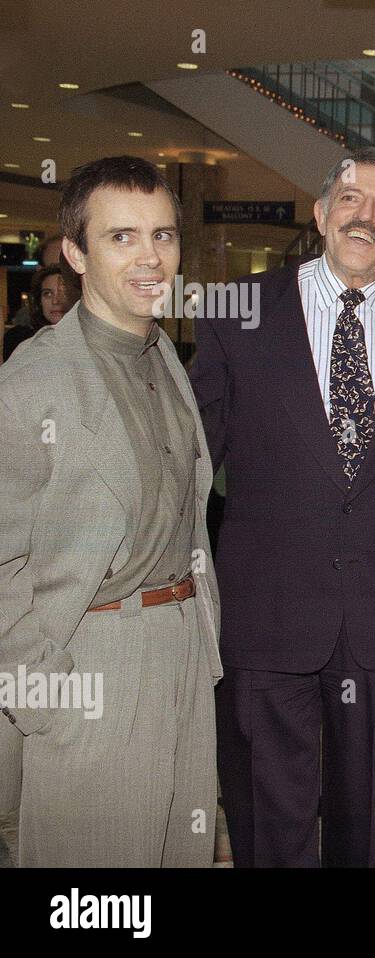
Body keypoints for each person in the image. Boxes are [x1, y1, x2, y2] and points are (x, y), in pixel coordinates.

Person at [190, 146, 375, 867]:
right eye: (350, 198)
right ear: (320, 213)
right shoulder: (237, 309)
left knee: (371, 825)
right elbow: (190, 465)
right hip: (266, 615)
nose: (364, 216)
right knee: (266, 819)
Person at [0, 155, 222, 866]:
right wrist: (40, 691)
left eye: (163, 235)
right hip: (92, 657)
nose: (150, 257)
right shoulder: (32, 382)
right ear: (74, 253)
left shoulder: (163, 355)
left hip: (182, 649)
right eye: (122, 237)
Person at [3, 264, 73, 360]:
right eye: (47, 294)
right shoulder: (24, 347)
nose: (55, 301)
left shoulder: (92, 343)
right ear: (39, 301)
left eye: (63, 292)